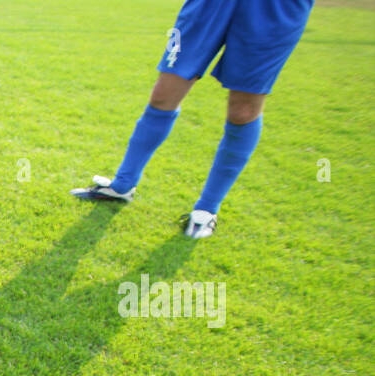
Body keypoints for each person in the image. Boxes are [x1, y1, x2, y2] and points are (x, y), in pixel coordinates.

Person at [71, 0, 314, 238]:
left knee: (243, 111)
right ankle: (122, 185)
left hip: (275, 7)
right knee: (162, 96)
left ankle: (207, 209)